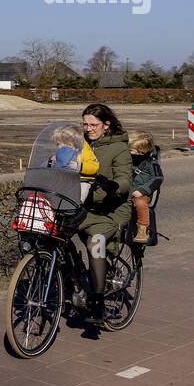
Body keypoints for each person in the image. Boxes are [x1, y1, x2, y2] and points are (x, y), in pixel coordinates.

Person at [78, 103, 133, 324]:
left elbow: (125, 178)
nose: (88, 128)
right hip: (84, 206)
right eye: (84, 124)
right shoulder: (80, 144)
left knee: (95, 244)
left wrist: (114, 185)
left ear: (106, 125)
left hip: (112, 209)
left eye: (93, 124)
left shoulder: (118, 148)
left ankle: (98, 303)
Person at [46, 123, 99, 201]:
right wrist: (52, 162)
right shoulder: (60, 153)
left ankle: (77, 204)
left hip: (82, 180)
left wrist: (79, 166)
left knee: (83, 188)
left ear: (70, 144)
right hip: (65, 179)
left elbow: (94, 166)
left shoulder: (83, 151)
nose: (57, 147)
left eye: (58, 144)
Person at [128, 131, 161, 244]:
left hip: (142, 193)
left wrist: (142, 191)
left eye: (131, 150)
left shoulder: (150, 164)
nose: (129, 152)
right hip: (126, 191)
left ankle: (142, 229)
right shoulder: (127, 160)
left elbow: (157, 179)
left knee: (140, 203)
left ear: (141, 151)